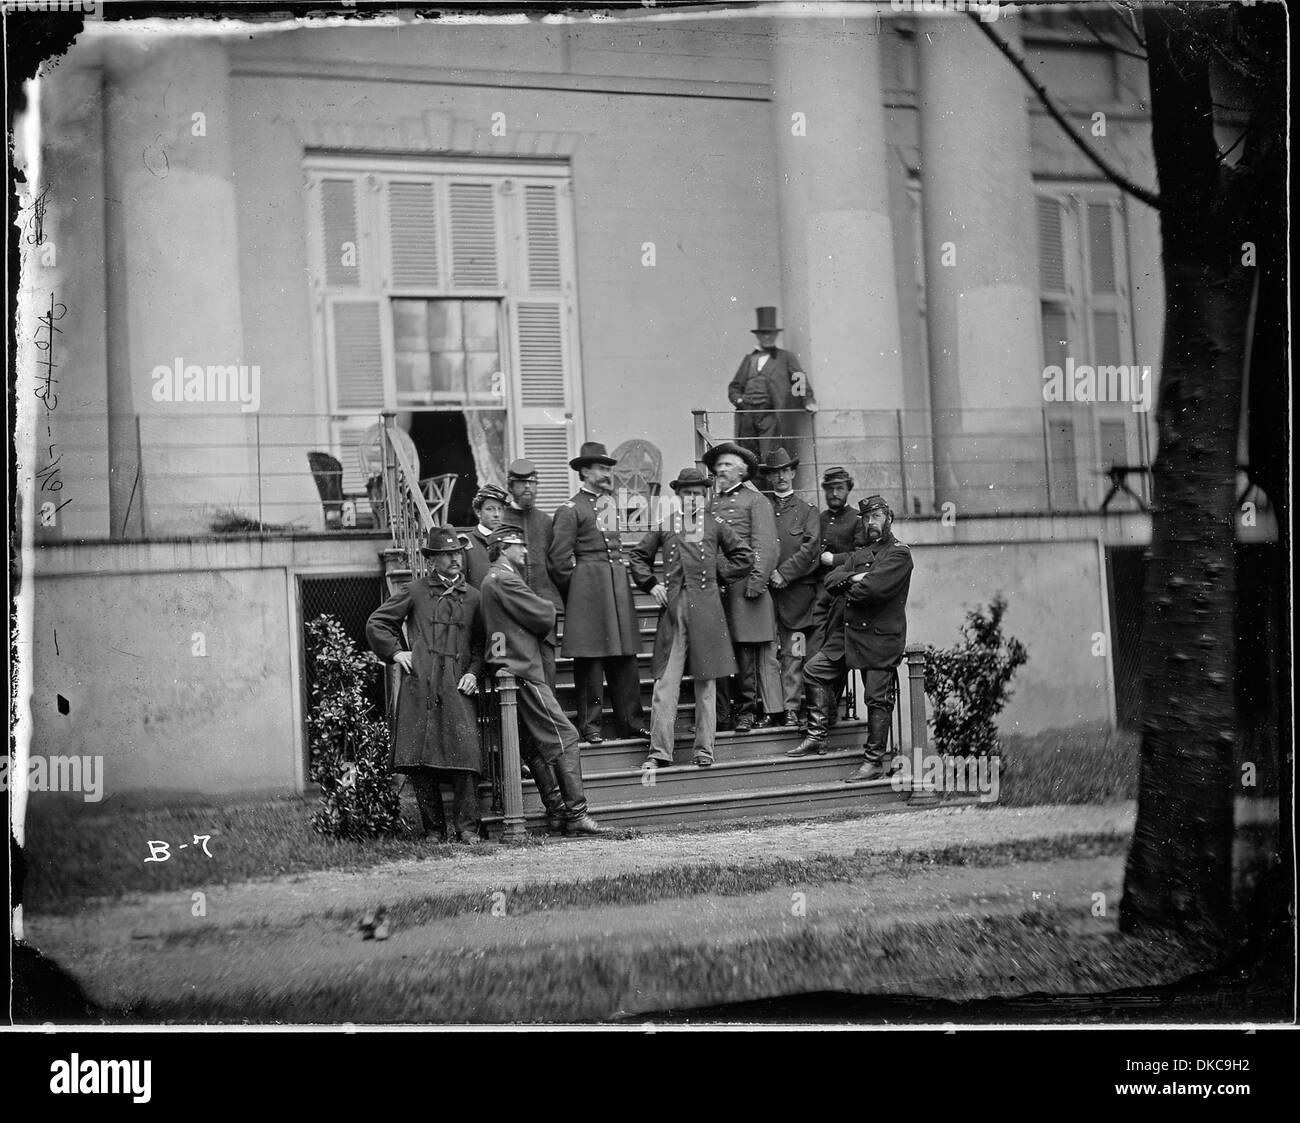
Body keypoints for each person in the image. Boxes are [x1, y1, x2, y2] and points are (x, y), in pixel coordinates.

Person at [480, 526, 609, 835]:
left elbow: (501, 628)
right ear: (503, 548)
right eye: (518, 546)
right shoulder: (506, 579)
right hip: (524, 672)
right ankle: (576, 813)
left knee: (536, 748)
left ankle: (557, 811)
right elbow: (544, 614)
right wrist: (548, 608)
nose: (524, 551)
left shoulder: (491, 580)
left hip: (512, 671)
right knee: (566, 737)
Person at [366, 526, 486, 843]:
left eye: (457, 552)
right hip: (420, 687)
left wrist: (474, 672)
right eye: (446, 554)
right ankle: (434, 829)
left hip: (457, 687)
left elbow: (481, 645)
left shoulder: (474, 597)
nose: (454, 559)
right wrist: (396, 653)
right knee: (420, 762)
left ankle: (467, 828)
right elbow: (378, 622)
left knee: (465, 756)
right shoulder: (416, 591)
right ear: (432, 559)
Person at [629, 467, 754, 769]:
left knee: (706, 684)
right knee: (665, 684)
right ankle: (659, 753)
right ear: (679, 496)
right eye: (687, 494)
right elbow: (637, 557)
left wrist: (717, 575)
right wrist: (652, 584)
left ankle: (704, 751)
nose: (693, 500)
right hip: (674, 611)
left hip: (707, 610)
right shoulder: (666, 525)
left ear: (705, 495)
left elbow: (745, 556)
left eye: (698, 494)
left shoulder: (715, 524)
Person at [788, 496, 912, 783]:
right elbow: (831, 581)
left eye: (876, 517)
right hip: (849, 635)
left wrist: (853, 582)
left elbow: (872, 591)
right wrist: (857, 577)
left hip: (879, 640)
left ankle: (873, 762)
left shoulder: (899, 554)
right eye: (867, 518)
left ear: (889, 518)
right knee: (814, 671)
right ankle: (817, 734)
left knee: (876, 699)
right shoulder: (861, 553)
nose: (871, 523)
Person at [548, 441, 650, 745]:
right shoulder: (570, 509)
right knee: (590, 663)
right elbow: (558, 560)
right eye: (602, 469)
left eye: (608, 469)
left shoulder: (608, 505)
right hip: (589, 594)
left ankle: (630, 723)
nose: (607, 474)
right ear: (585, 471)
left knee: (625, 660)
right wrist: (579, 594)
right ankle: (590, 726)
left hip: (616, 591)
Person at [498, 458, 569, 830]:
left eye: (533, 483)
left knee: (548, 705)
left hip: (543, 624)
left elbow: (556, 567)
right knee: (527, 711)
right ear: (510, 485)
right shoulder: (502, 523)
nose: (527, 489)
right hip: (514, 628)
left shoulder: (545, 522)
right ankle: (555, 801)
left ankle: (560, 803)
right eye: (520, 483)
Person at [703, 441, 783, 732]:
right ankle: (723, 714)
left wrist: (757, 581)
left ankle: (746, 711)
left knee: (746, 652)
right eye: (719, 465)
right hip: (716, 588)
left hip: (745, 587)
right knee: (721, 650)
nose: (720, 470)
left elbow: (766, 545)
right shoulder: (711, 503)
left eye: (727, 465)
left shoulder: (755, 501)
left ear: (742, 471)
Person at [760, 448, 822, 726]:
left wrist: (784, 574)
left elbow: (811, 550)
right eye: (775, 472)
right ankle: (771, 708)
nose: (781, 477)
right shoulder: (762, 509)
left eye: (785, 471)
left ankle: (791, 708)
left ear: (793, 473)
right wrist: (767, 573)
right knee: (767, 653)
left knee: (794, 653)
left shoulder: (808, 511)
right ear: (770, 477)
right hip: (765, 596)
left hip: (797, 597)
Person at [727, 306, 818, 460]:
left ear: (775, 335)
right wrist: (740, 400)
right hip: (747, 415)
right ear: (758, 336)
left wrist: (807, 400)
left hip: (769, 415)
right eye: (763, 334)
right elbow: (734, 387)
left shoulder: (785, 357)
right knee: (747, 457)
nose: (767, 337)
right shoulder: (749, 359)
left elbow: (798, 379)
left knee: (770, 455)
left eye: (770, 333)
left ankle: (769, 484)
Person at [809, 467, 865, 656]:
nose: (834, 493)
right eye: (830, 488)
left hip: (842, 589)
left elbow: (861, 555)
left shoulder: (856, 519)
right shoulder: (819, 519)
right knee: (815, 638)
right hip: (818, 590)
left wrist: (834, 559)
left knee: (836, 641)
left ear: (848, 489)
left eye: (839, 488)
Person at [463, 483, 509, 589]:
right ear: (478, 512)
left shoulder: (509, 541)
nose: (496, 514)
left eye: (500, 509)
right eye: (490, 509)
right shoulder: (466, 544)